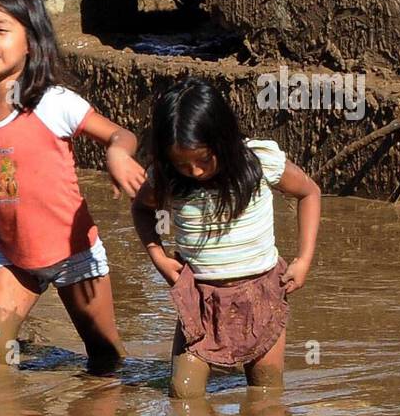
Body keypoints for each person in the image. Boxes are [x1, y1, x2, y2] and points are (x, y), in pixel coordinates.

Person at [0, 0, 145, 374]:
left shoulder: (52, 103)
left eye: (1, 30)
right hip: (15, 259)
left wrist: (117, 153)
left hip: (76, 256)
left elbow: (120, 134)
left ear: (31, 44)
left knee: (105, 358)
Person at [131, 77, 322, 397]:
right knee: (183, 395)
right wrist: (158, 255)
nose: (194, 171)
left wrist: (304, 260)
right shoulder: (166, 177)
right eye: (182, 163)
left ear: (224, 139)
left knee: (265, 395)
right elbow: (141, 210)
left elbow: (309, 192)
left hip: (261, 295)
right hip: (199, 299)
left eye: (203, 159)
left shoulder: (259, 162)